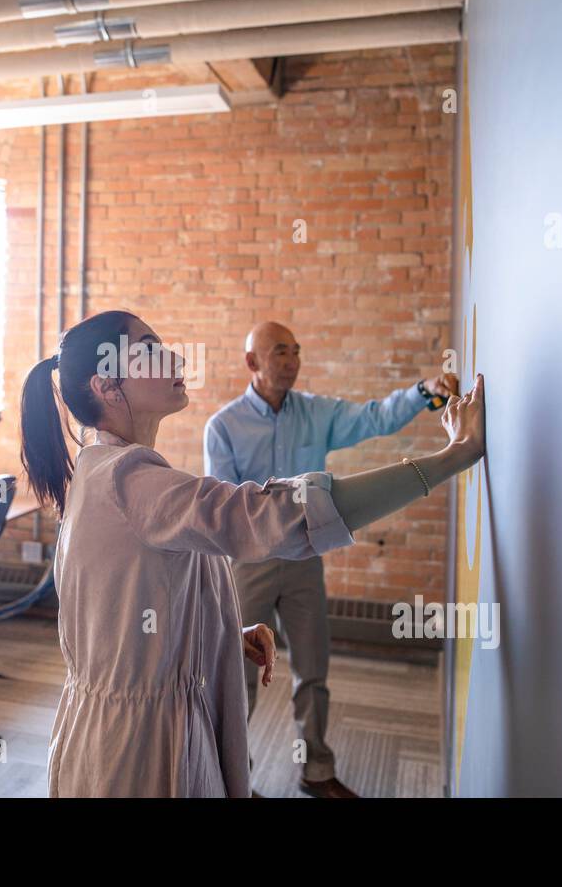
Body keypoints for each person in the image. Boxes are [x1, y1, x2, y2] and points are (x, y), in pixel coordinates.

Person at [19, 310, 483, 797]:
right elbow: (268, 515)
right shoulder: (130, 480)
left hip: (119, 730)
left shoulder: (105, 471)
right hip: (134, 746)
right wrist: (454, 455)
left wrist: (215, 631)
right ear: (108, 388)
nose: (176, 358)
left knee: (311, 665)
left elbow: (125, 609)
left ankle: (315, 766)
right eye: (151, 350)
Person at [203, 320, 459, 798]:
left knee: (313, 668)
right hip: (250, 565)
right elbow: (226, 510)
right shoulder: (222, 427)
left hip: (303, 558)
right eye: (280, 351)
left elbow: (373, 417)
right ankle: (233, 779)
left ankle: (316, 771)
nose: (292, 360)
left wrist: (424, 392)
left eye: (297, 351)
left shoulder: (317, 413)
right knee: (237, 676)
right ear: (252, 362)